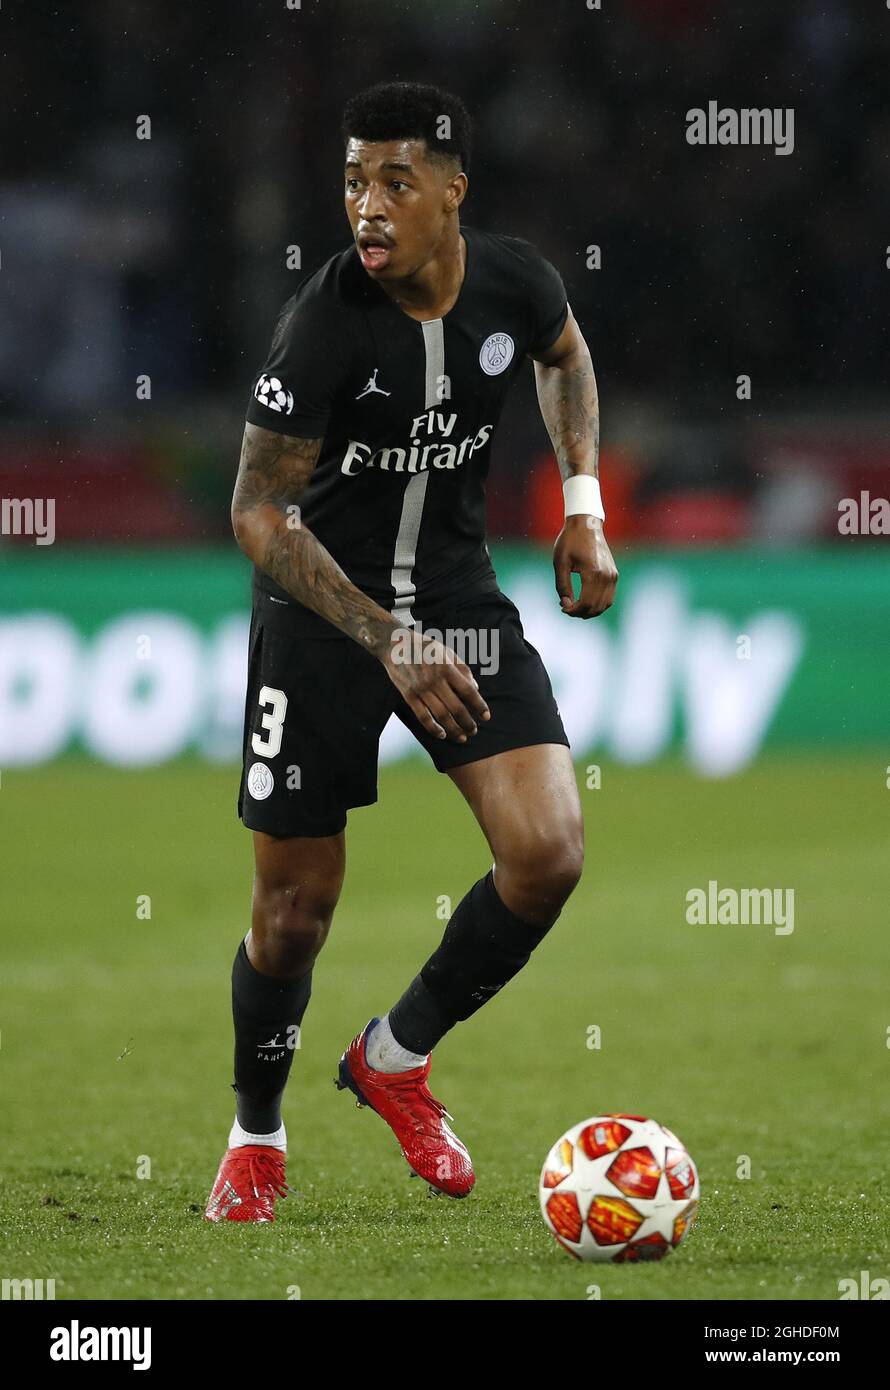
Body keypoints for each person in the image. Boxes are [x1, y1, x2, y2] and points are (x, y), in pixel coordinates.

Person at [205, 80, 618, 1221]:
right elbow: (254, 513)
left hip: (456, 594)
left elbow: (563, 356)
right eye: (350, 181)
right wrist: (385, 639)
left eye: (393, 181)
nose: (365, 207)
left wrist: (580, 500)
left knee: (547, 851)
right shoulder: (323, 321)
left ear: (451, 190)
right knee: (292, 913)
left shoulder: (514, 279)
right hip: (323, 614)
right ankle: (255, 1133)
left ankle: (392, 1058)